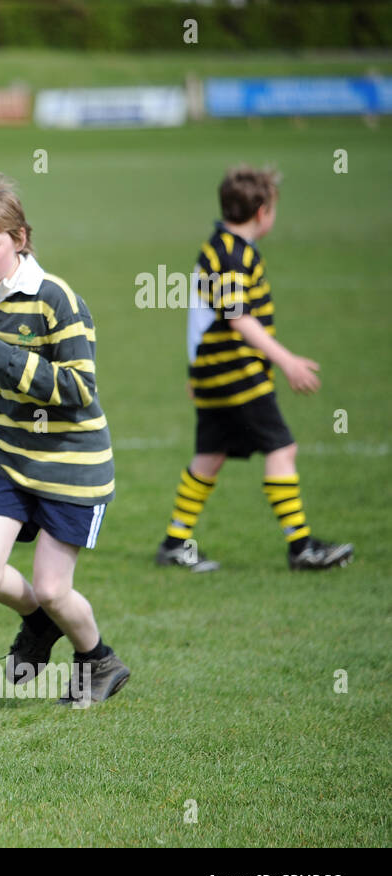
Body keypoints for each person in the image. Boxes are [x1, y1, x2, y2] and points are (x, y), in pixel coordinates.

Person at [0, 174, 128, 706]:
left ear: (20, 238)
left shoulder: (55, 299)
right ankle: (39, 624)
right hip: (12, 460)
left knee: (56, 587)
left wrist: (4, 359)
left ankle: (99, 661)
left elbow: (80, 387)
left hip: (71, 467)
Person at [155, 165, 352, 573]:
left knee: (210, 456)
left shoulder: (218, 246)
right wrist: (288, 361)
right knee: (282, 448)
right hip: (237, 374)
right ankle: (301, 548)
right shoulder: (231, 254)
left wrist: (194, 372)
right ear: (262, 211)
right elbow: (238, 318)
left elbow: (197, 316)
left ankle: (176, 542)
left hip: (213, 373)